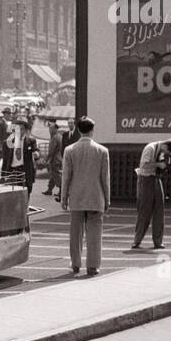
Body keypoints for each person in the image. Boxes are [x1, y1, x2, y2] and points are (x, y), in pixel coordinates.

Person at [61, 117, 110, 276]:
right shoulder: (102, 151)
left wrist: (63, 199)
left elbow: (66, 177)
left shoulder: (69, 150)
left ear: (78, 130)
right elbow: (105, 178)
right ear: (92, 130)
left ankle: (75, 264)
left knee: (75, 234)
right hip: (96, 197)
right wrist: (107, 199)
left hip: (76, 197)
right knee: (94, 234)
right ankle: (93, 266)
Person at [131, 138, 171, 249]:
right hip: (145, 179)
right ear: (165, 146)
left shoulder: (162, 151)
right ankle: (137, 240)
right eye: (168, 152)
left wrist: (165, 165)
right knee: (144, 211)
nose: (167, 154)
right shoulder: (150, 148)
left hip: (156, 178)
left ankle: (158, 241)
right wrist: (158, 165)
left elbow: (162, 165)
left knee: (159, 210)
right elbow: (144, 165)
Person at [43, 119, 63, 196]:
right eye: (49, 128)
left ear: (55, 129)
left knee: (56, 175)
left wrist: (47, 160)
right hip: (58, 158)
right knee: (53, 175)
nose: (49, 130)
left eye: (51, 128)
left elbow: (51, 151)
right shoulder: (59, 136)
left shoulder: (54, 138)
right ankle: (49, 189)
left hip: (54, 159)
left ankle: (62, 190)